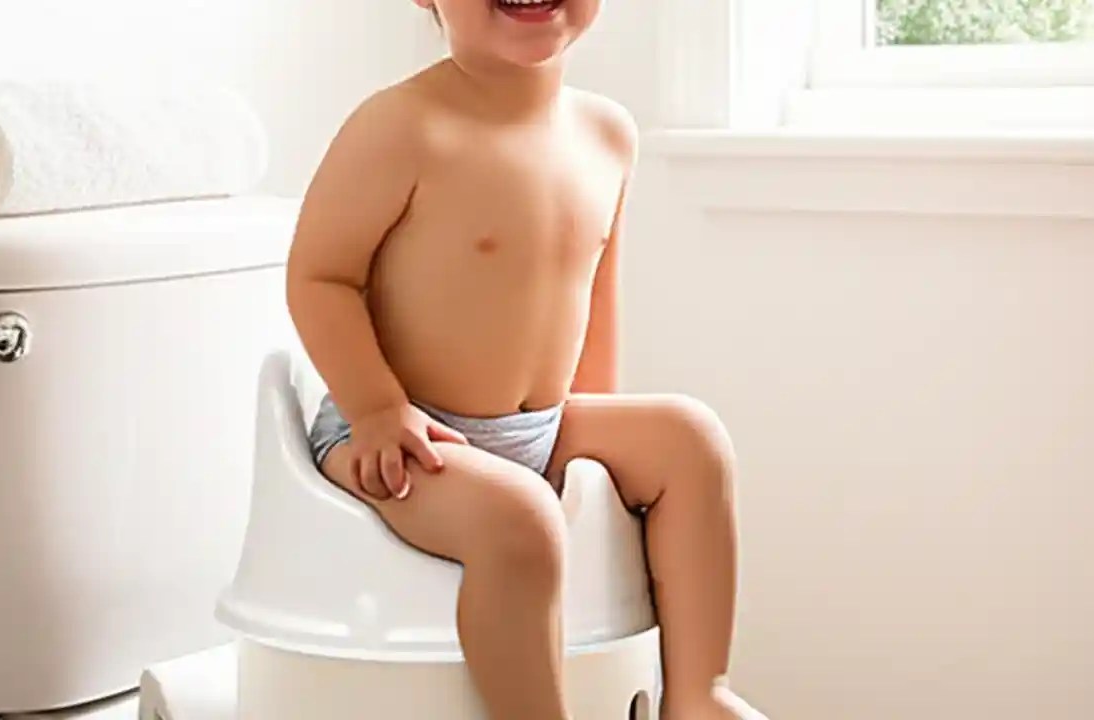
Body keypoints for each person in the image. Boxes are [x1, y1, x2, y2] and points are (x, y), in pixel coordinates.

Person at [286, 1, 768, 718]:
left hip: (537, 429)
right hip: (400, 437)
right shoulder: (401, 126)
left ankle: (699, 694)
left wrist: (596, 454)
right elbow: (319, 278)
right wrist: (376, 410)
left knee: (691, 439)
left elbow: (596, 295)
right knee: (521, 519)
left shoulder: (606, 133)